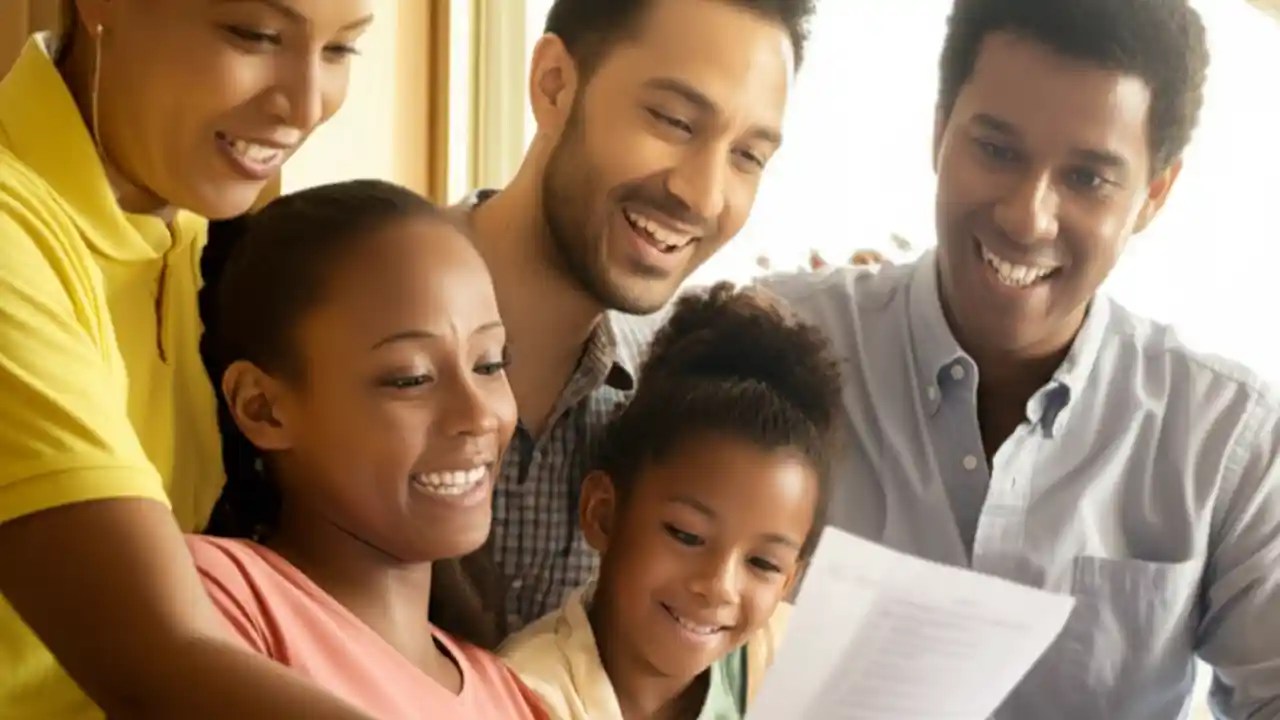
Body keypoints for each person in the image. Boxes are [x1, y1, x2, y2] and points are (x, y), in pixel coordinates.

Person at [760, 0, 1280, 717]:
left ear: (1153, 195)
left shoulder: (1227, 441)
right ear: (940, 130)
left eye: (1089, 179)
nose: (1028, 217)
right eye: (998, 151)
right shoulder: (776, 346)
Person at [0, 1, 394, 718]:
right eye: (256, 36)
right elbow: (161, 656)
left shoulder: (190, 231)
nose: (306, 106)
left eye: (342, 52)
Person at [462, 0, 818, 634]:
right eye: (674, 120)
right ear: (554, 85)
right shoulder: (351, 305)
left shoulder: (672, 397)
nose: (705, 195)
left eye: (747, 157)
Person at [191, 179, 548, 719]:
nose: (477, 416)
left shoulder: (515, 698)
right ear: (263, 407)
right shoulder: (214, 602)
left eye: (490, 364)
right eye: (409, 379)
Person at [500, 283, 840, 720]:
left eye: (763, 564)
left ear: (790, 580)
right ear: (603, 514)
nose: (718, 586)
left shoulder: (789, 661)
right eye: (687, 535)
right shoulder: (523, 699)